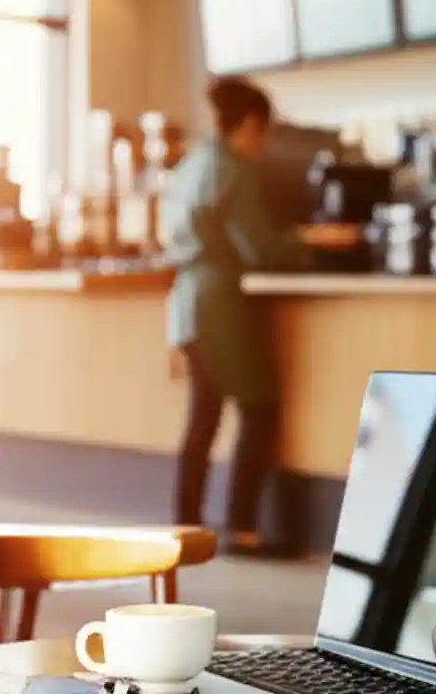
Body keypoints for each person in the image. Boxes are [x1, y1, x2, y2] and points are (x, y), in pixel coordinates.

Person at [162, 78, 304, 555]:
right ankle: (242, 528)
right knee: (259, 409)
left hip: (186, 300)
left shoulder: (191, 165)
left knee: (202, 417)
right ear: (249, 124)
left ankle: (184, 525)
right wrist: (314, 242)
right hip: (221, 302)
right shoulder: (233, 171)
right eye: (263, 130)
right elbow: (260, 247)